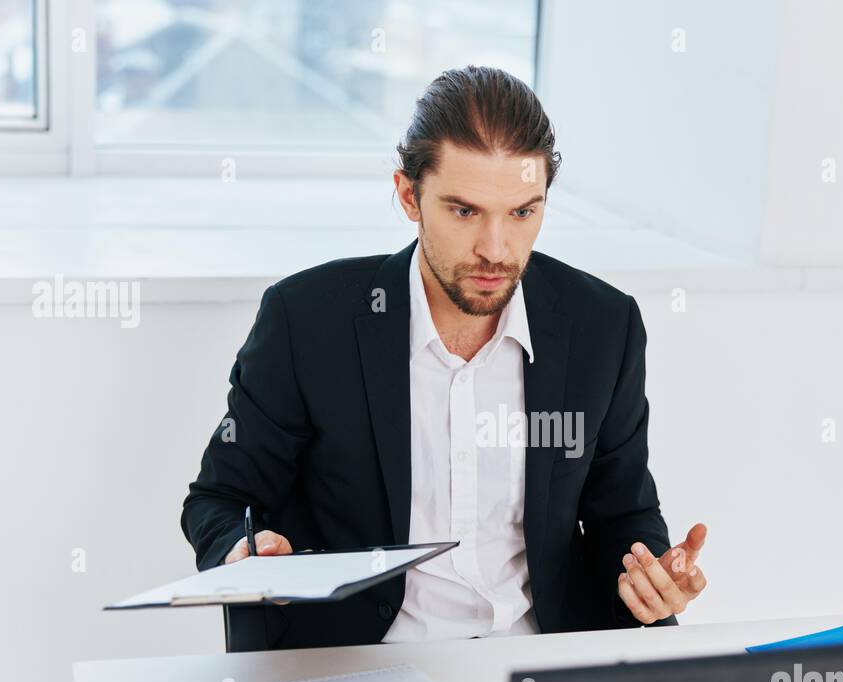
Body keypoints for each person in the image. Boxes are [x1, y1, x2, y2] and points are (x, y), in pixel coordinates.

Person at [182, 66, 707, 649]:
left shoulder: (603, 326)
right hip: (364, 662)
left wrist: (652, 575)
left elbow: (622, 512)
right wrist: (242, 549)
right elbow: (220, 499)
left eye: (522, 212)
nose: (496, 249)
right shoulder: (306, 321)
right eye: (464, 212)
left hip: (539, 657)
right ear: (409, 195)